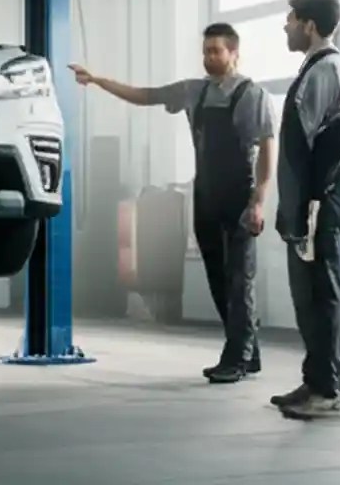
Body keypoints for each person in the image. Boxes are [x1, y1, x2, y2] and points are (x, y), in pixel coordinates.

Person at [69, 23, 277, 383]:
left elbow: (267, 150)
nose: (209, 57)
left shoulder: (251, 94)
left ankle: (236, 357)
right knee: (217, 278)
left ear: (234, 52)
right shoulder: (193, 91)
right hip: (205, 194)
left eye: (217, 50)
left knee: (240, 279)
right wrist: (99, 81)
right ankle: (248, 351)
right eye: (206, 50)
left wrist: (259, 200)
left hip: (238, 195)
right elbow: (145, 95)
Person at [269, 0, 340, 420]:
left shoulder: (328, 70)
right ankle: (314, 380)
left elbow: (327, 148)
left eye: (290, 20)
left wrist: (308, 207)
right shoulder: (314, 70)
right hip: (305, 204)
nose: (285, 27)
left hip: (318, 203)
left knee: (322, 295)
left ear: (308, 24)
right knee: (306, 296)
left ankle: (328, 390)